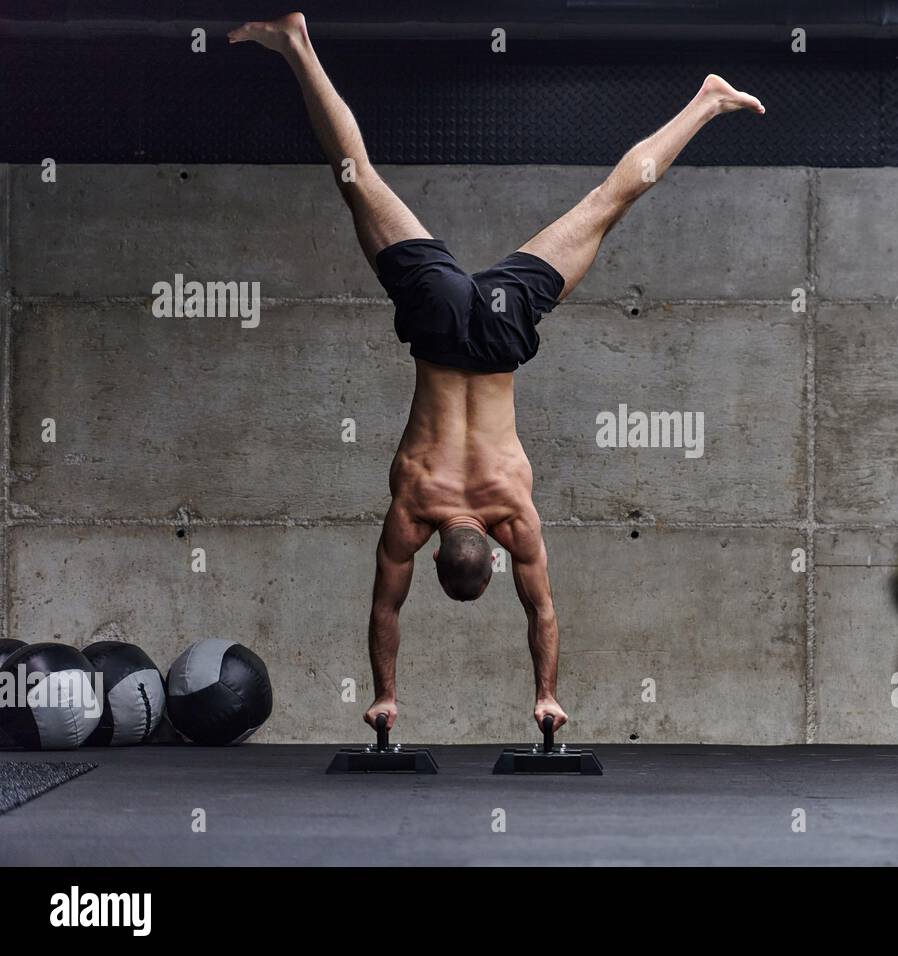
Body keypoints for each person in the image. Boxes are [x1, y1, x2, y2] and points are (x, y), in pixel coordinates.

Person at [229, 12, 764, 733]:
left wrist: (548, 693)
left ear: (496, 550)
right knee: (356, 179)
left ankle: (705, 100)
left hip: (503, 330)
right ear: (438, 547)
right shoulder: (415, 508)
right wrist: (385, 695)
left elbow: (537, 607)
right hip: (441, 319)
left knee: (608, 204)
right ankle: (297, 44)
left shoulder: (514, 514)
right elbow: (388, 607)